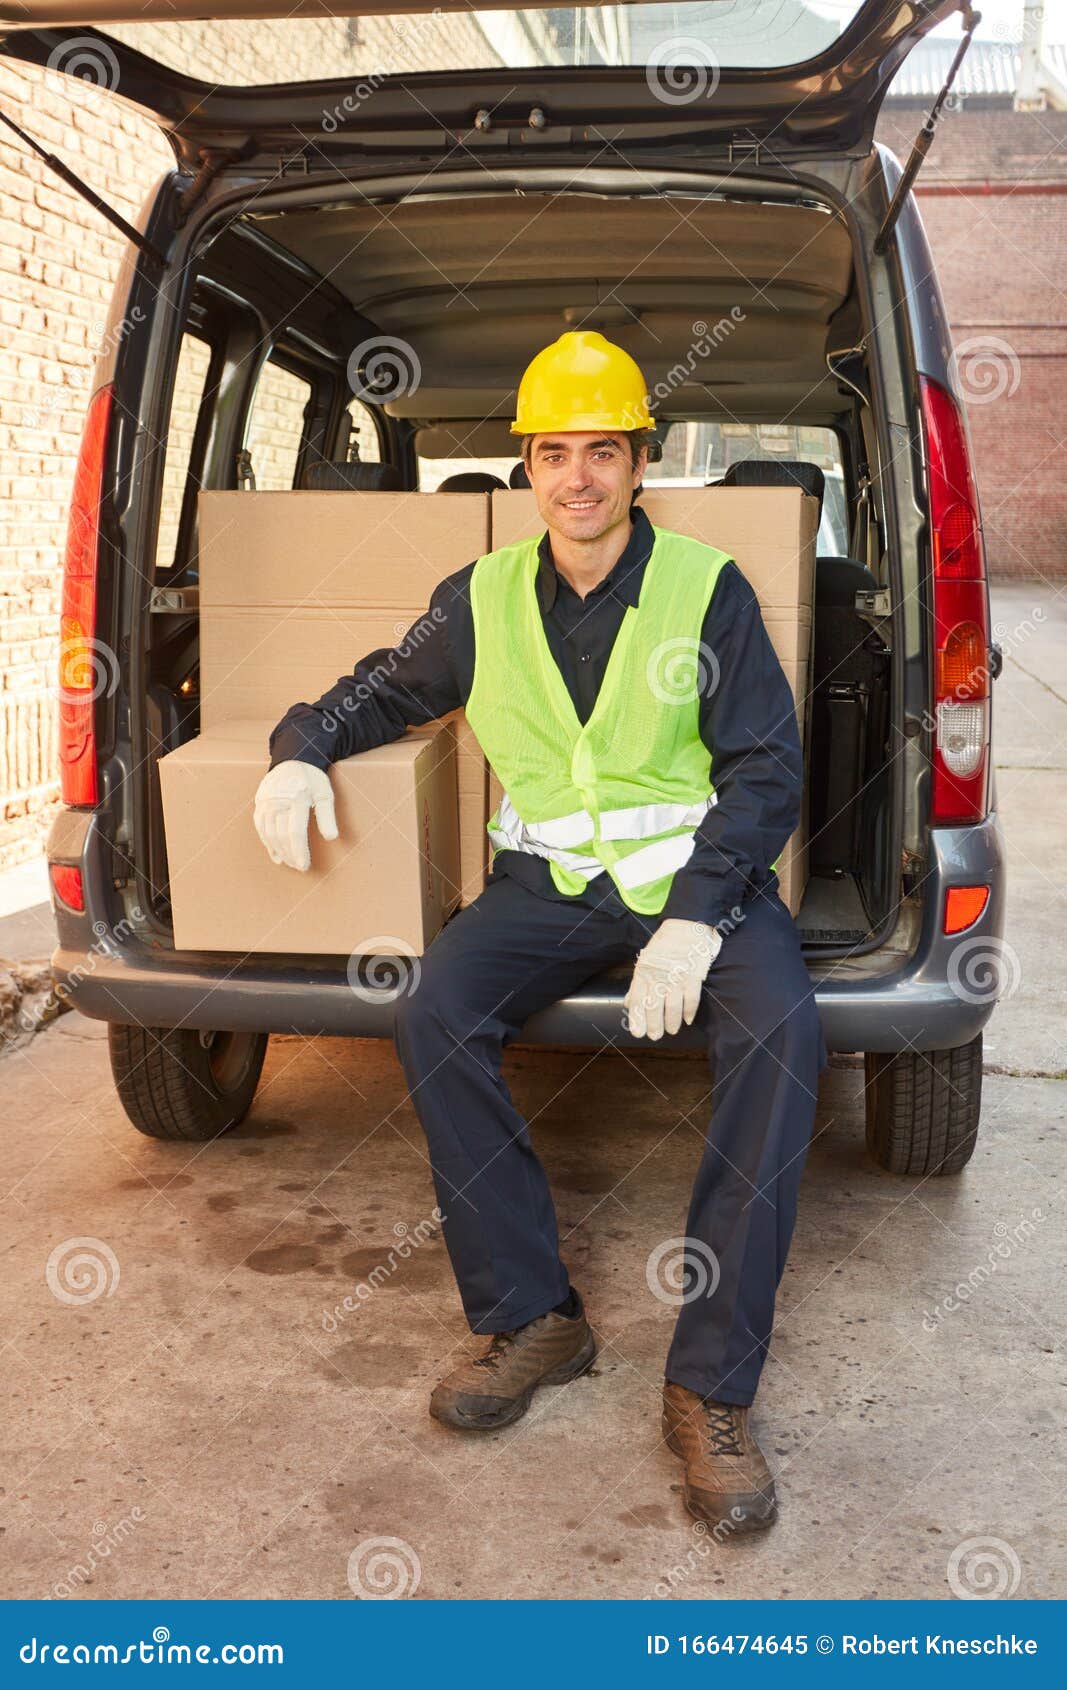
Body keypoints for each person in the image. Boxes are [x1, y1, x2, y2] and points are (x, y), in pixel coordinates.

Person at [255, 330, 827, 1534]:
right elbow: (385, 686)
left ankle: (706, 1387)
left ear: (637, 461)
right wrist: (299, 749)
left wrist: (691, 919)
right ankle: (533, 1318)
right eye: (555, 451)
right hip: (549, 884)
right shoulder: (482, 597)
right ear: (525, 466)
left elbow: (767, 773)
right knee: (436, 1008)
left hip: (695, 885)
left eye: (603, 450)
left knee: (779, 1033)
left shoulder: (702, 590)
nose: (578, 475)